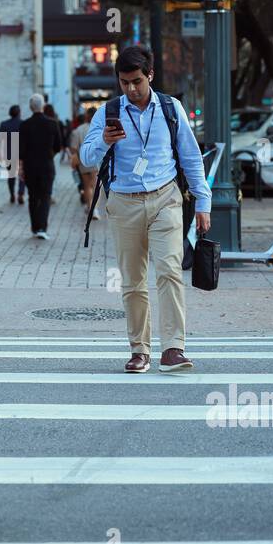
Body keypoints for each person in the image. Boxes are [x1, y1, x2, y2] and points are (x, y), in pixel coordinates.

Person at [79, 45, 211, 373]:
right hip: (123, 203)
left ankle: (174, 349)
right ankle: (140, 350)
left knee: (169, 270)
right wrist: (105, 141)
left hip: (165, 197)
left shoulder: (170, 108)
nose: (131, 89)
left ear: (149, 75)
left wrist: (202, 201)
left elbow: (191, 156)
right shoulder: (108, 112)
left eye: (137, 81)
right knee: (133, 280)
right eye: (124, 82)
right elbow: (86, 159)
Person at [18, 92, 61, 238]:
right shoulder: (52, 123)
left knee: (32, 196)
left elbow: (21, 150)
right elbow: (58, 146)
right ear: (43, 106)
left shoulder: (24, 125)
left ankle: (35, 226)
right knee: (45, 196)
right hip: (46, 165)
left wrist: (21, 167)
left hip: (30, 166)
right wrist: (49, 155)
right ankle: (42, 227)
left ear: (30, 107)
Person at [70, 107, 100, 217]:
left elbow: (73, 148)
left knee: (87, 186)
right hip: (96, 161)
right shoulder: (98, 129)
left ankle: (89, 206)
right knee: (95, 185)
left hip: (83, 161)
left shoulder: (78, 130)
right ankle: (95, 209)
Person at [0, 104, 25, 204]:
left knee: (11, 175)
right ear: (19, 113)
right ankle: (20, 193)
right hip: (21, 154)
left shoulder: (4, 124)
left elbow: (0, 140)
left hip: (9, 153)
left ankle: (12, 194)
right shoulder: (23, 123)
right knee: (22, 175)